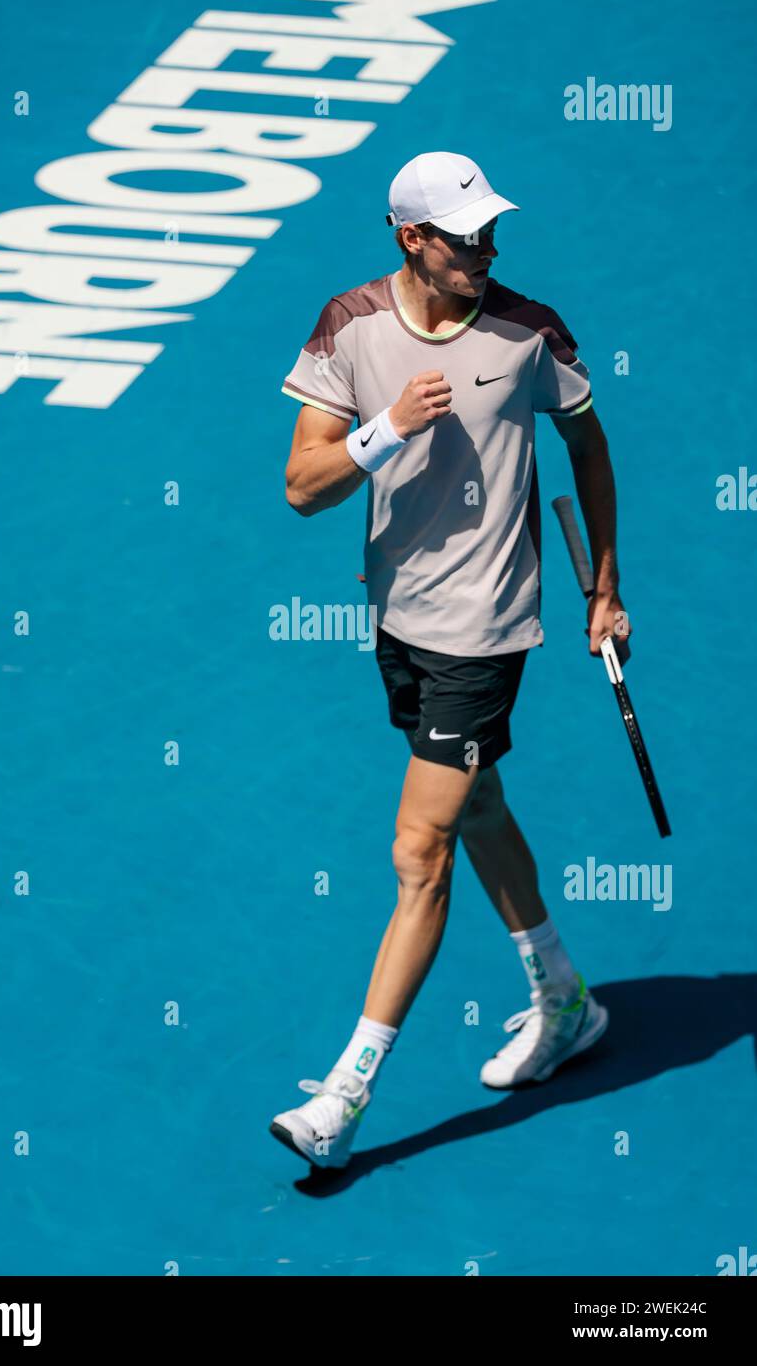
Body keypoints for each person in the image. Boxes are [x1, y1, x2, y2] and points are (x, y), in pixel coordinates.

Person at [271, 151, 625, 1171]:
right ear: (410, 240)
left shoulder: (529, 330)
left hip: (486, 627)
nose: (487, 251)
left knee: (418, 853)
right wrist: (384, 431)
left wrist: (603, 584)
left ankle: (343, 1097)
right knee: (477, 805)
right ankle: (564, 1000)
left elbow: (587, 444)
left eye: (489, 233)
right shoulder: (349, 325)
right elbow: (302, 485)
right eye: (464, 237)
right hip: (400, 615)